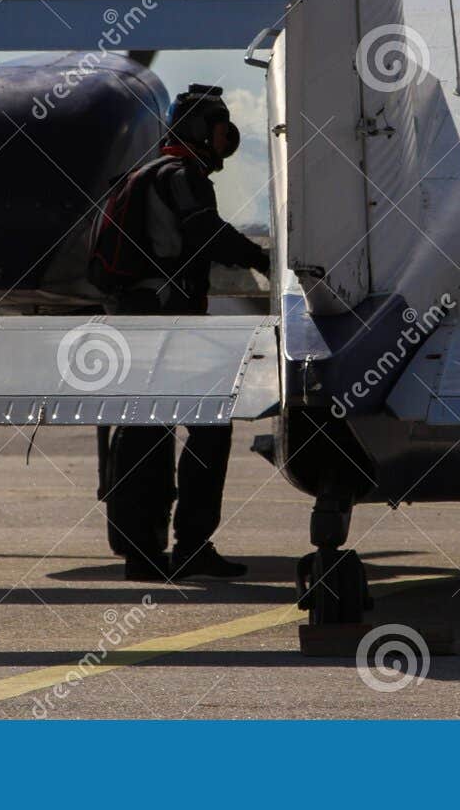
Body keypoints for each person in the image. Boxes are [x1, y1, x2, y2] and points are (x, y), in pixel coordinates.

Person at [98, 85, 271, 582]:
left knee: (144, 431)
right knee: (210, 426)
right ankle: (192, 546)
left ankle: (141, 553)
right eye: (220, 131)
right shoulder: (182, 176)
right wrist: (265, 259)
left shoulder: (145, 175)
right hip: (169, 326)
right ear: (199, 130)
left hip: (136, 322)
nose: (226, 142)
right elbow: (207, 233)